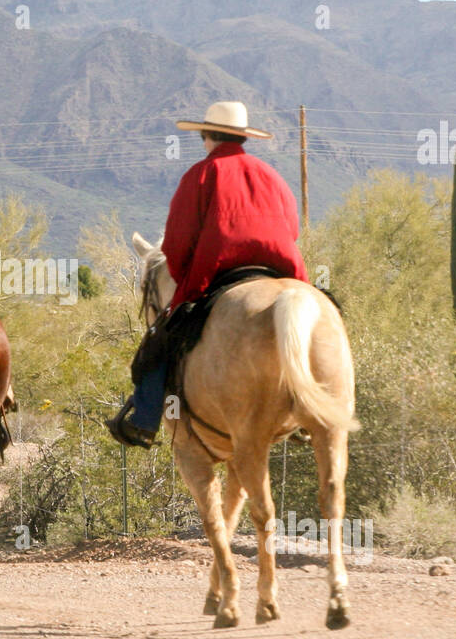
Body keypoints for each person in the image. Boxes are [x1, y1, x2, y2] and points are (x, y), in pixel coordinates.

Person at [106, 101, 308, 448]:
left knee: (159, 339)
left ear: (206, 136)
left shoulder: (200, 174)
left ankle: (144, 419)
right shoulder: (271, 175)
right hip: (286, 271)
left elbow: (178, 241)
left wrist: (186, 281)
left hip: (216, 273)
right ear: (242, 138)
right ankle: (307, 410)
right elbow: (293, 228)